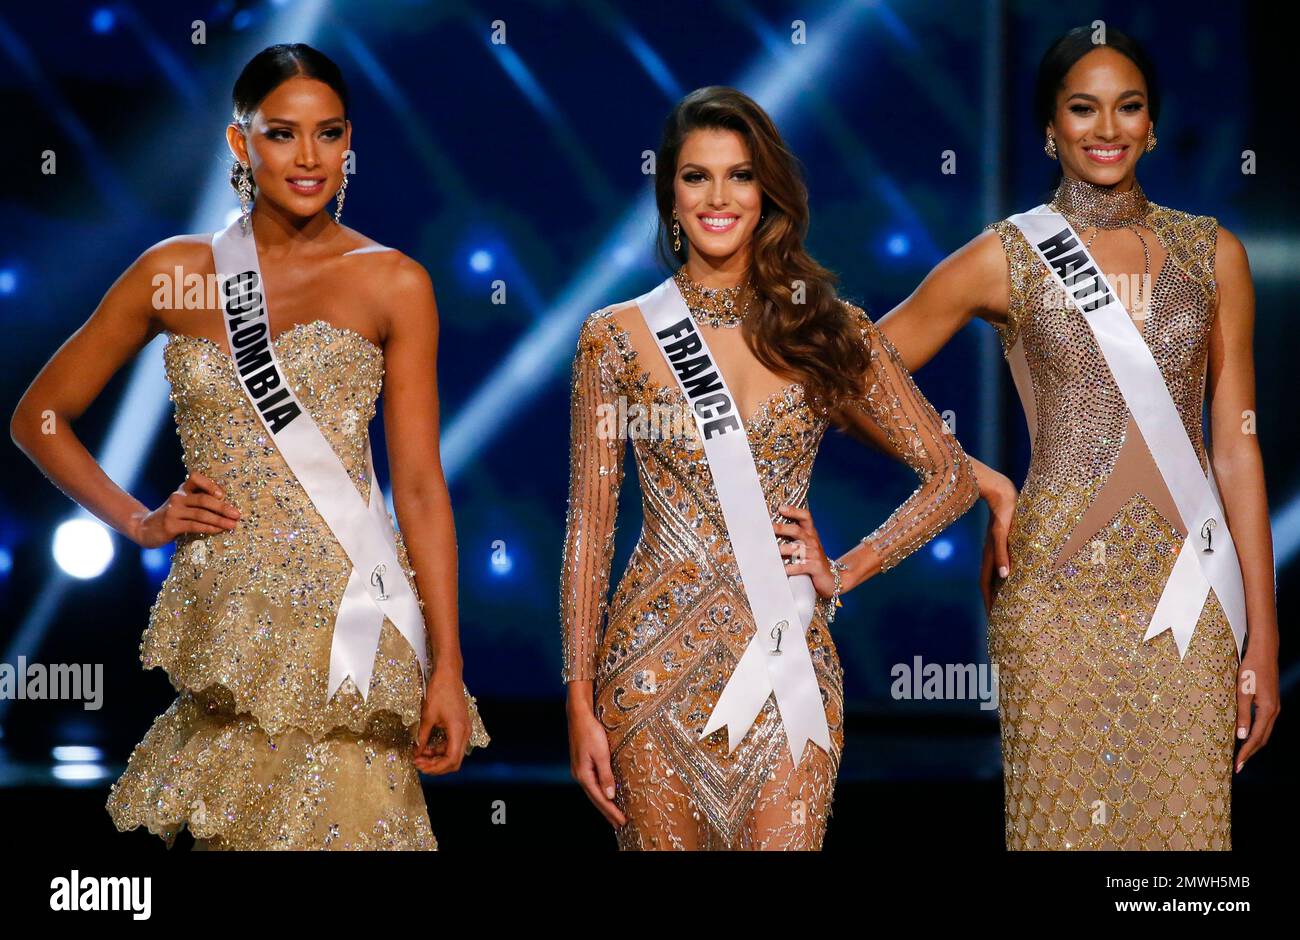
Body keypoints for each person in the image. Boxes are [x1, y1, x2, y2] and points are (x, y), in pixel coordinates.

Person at [10, 43, 487, 850]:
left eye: (328, 134)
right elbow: (40, 417)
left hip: (355, 626)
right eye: (282, 134)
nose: (309, 158)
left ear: (348, 144)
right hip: (231, 634)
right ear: (241, 143)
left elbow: (419, 483)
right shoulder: (177, 271)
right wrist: (138, 522)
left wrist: (448, 665)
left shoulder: (393, 281)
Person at [875, 27, 1280, 849]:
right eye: (1082, 108)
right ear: (1050, 129)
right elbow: (853, 374)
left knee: (1181, 856)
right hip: (1055, 599)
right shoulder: (1009, 256)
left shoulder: (1215, 254)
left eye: (1128, 107)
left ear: (1154, 127)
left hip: (1190, 595)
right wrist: (971, 476)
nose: (1107, 128)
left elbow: (1237, 448)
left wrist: (1264, 643)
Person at [561, 86, 982, 849]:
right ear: (669, 194)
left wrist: (847, 570)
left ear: (768, 193)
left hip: (787, 661)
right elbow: (588, 529)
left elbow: (950, 477)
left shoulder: (824, 325)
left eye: (741, 175)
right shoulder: (615, 337)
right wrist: (578, 702)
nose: (718, 197)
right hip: (650, 674)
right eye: (696, 176)